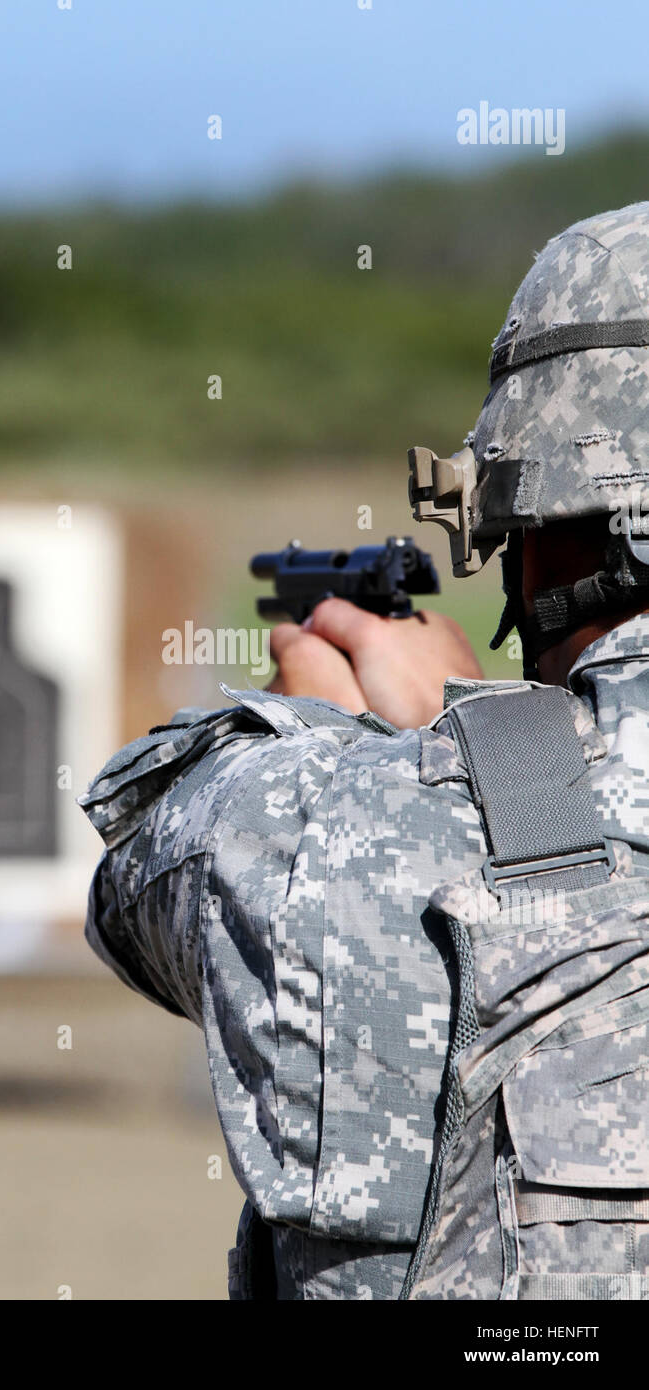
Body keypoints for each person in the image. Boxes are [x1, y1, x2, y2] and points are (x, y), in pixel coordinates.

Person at [79, 202, 649, 1300]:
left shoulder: (335, 826)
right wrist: (502, 750)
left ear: (549, 517)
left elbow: (144, 869)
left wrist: (362, 739)